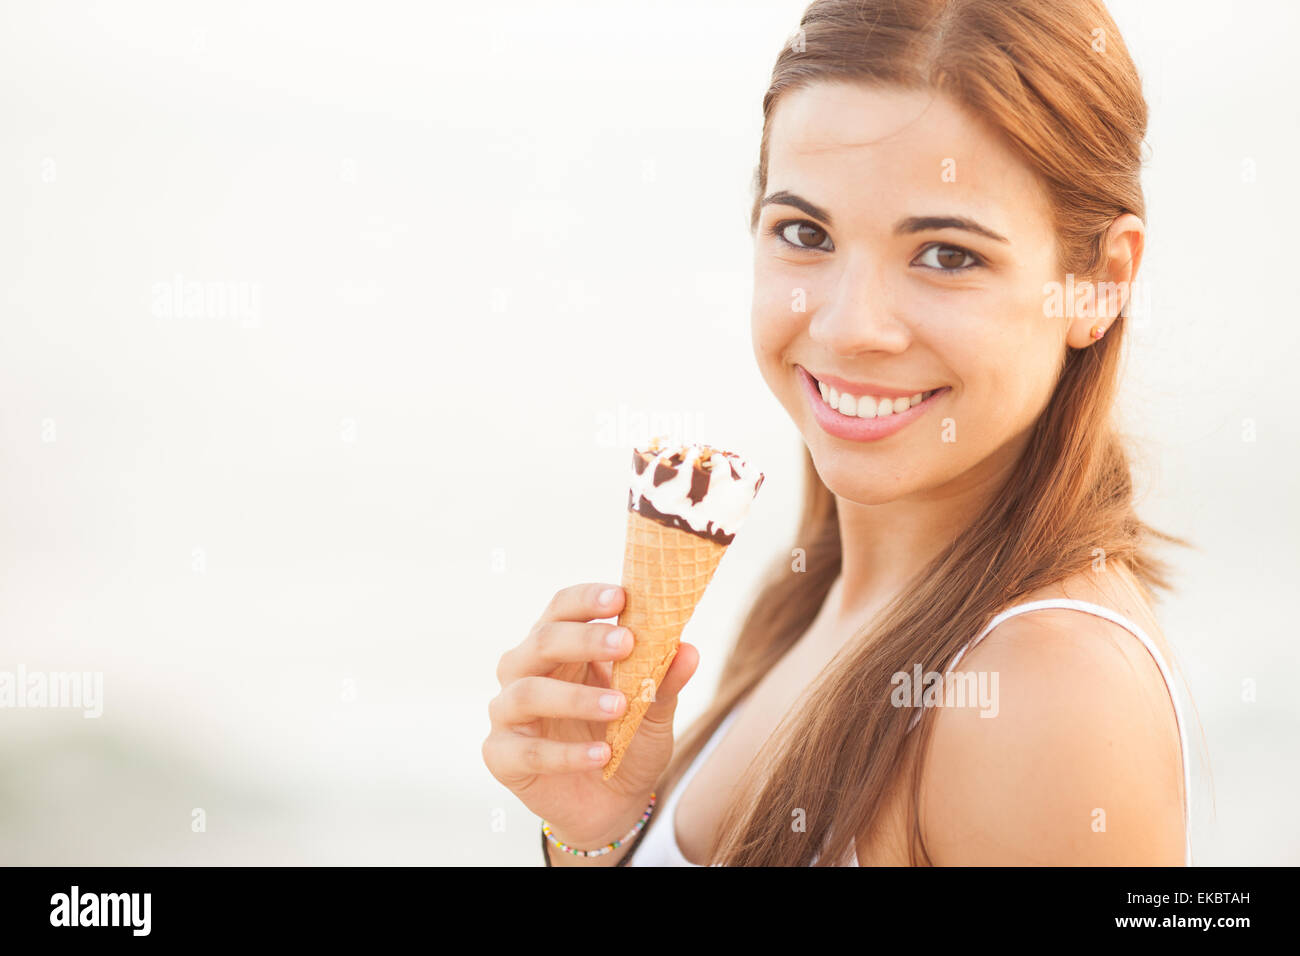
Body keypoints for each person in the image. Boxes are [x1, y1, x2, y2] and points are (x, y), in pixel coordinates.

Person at [483, 0, 1198, 866]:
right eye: (806, 233)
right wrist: (599, 834)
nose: (852, 325)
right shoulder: (814, 596)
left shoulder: (1044, 692)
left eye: (946, 254)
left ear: (1100, 283)